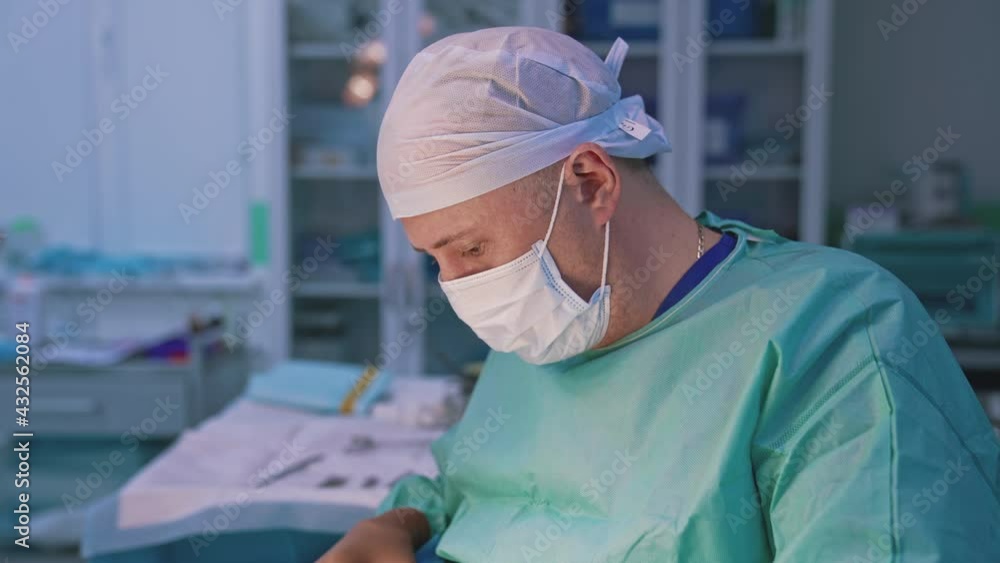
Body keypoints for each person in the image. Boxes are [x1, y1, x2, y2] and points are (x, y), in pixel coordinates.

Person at [319, 27, 1000, 562]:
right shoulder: (552, 318)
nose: (460, 287)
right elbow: (477, 482)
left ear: (591, 181)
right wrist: (397, 523)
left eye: (471, 250)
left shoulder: (834, 334)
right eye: (435, 259)